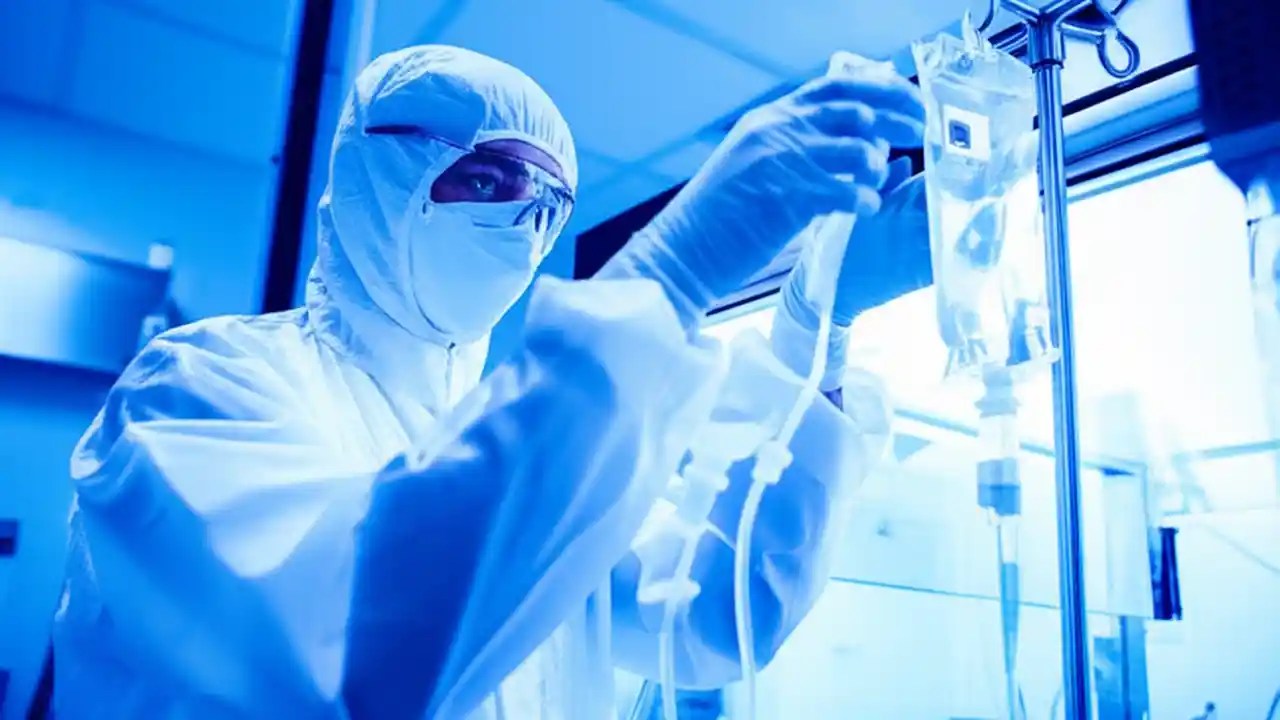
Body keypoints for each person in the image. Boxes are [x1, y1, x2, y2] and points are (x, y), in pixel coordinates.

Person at [51, 44, 930, 719]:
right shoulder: (200, 385)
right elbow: (355, 659)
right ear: (376, 176)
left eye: (546, 205)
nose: (522, 222)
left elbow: (708, 624)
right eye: (487, 178)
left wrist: (818, 321)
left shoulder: (523, 445)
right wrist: (676, 269)